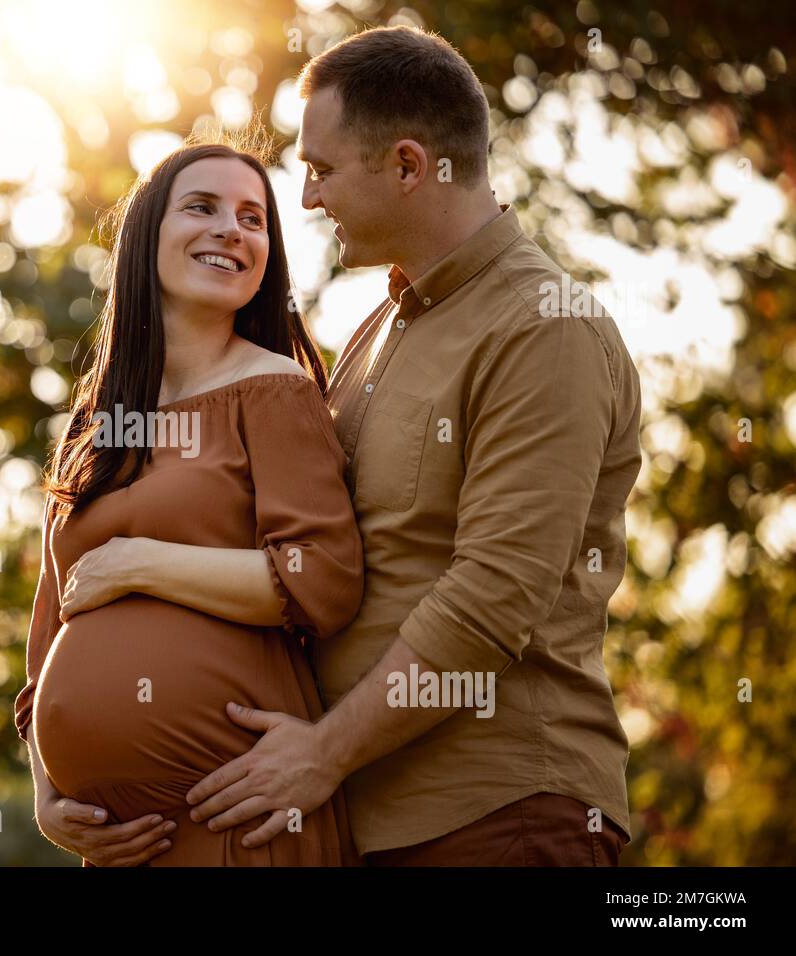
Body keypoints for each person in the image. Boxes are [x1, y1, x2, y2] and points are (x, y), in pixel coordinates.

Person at [62, 25, 642, 867]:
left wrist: (324, 751)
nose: (307, 201)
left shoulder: (544, 328)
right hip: (352, 821)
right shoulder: (379, 332)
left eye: (321, 170)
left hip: (494, 818)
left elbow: (493, 597)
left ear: (409, 167)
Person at [12, 136, 365, 866]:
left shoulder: (275, 390)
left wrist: (142, 563)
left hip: (241, 807)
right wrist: (47, 797)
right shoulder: (97, 423)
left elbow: (323, 576)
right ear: (148, 237)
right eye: (201, 207)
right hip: (121, 848)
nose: (230, 230)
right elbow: (46, 641)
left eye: (252, 218)